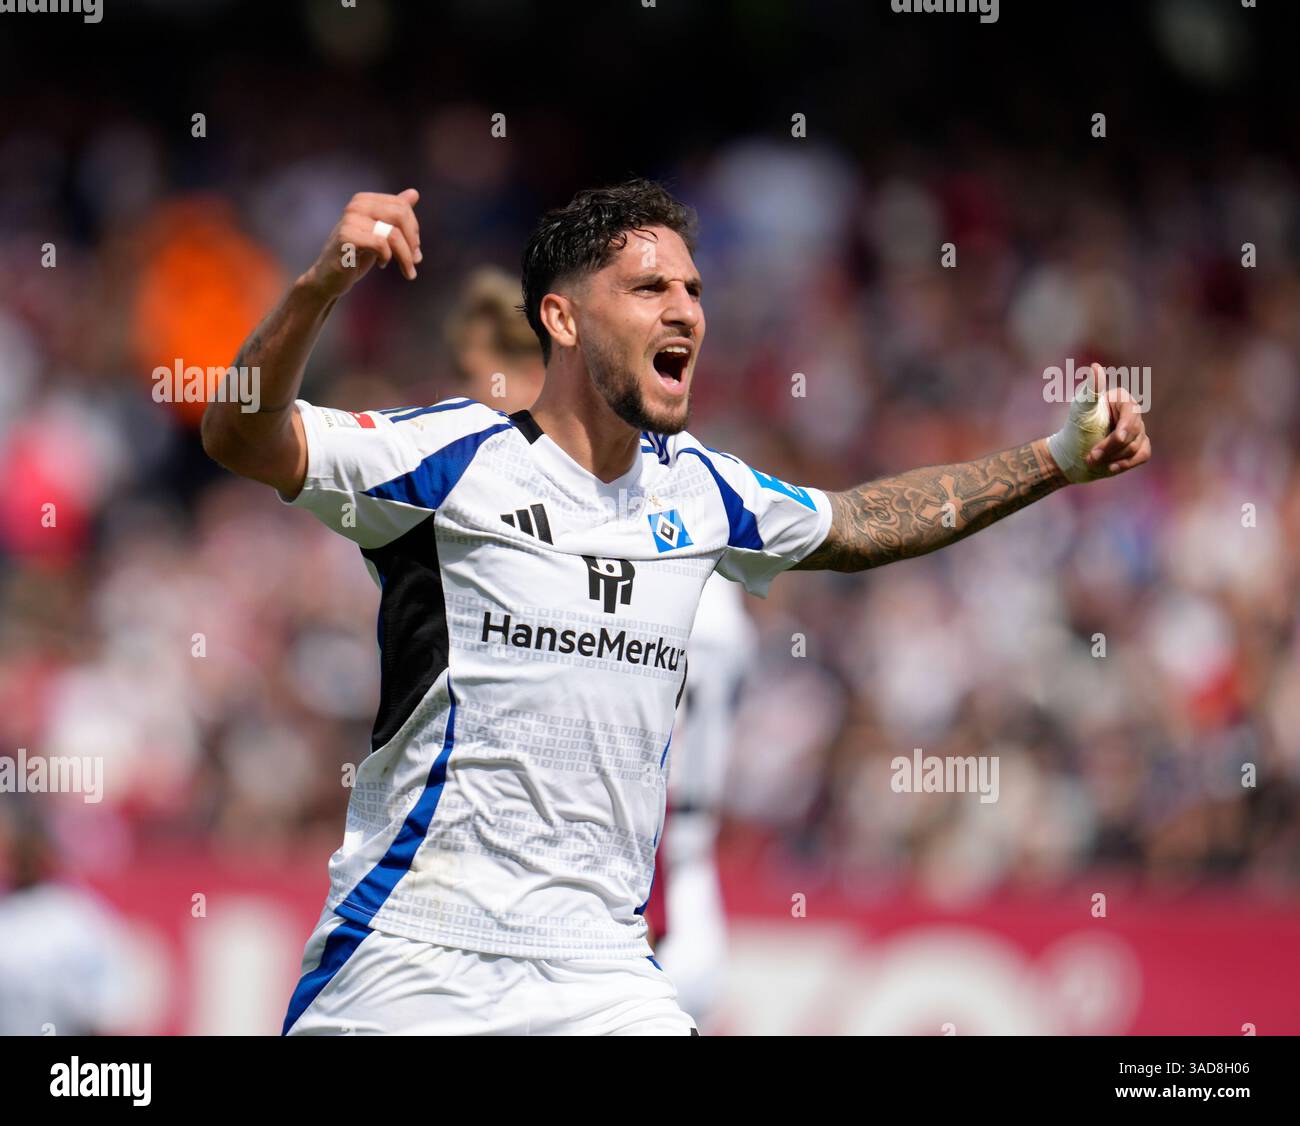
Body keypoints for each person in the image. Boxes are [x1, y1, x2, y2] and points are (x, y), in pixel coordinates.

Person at [200, 178, 1150, 1036]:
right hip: (413, 952)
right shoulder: (453, 459)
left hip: (601, 973)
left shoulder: (699, 492)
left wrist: (1053, 460)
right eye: (652, 290)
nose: (687, 311)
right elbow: (241, 433)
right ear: (563, 320)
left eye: (694, 291)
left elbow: (861, 524)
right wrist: (321, 285)